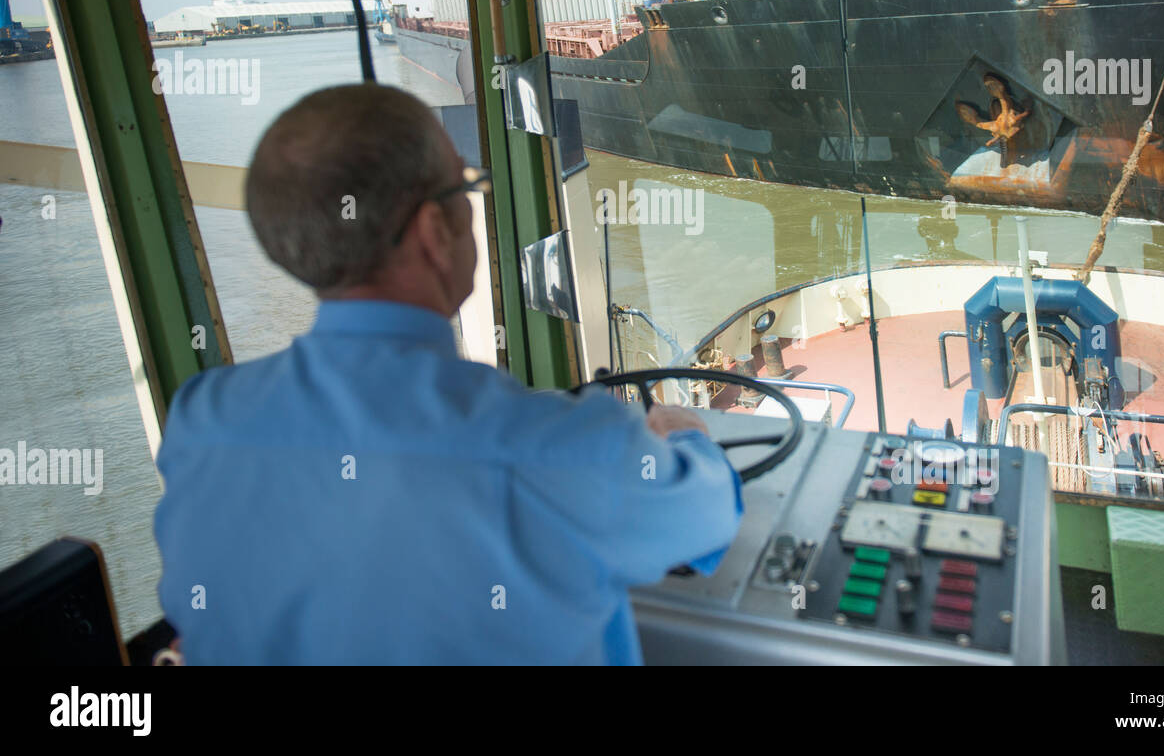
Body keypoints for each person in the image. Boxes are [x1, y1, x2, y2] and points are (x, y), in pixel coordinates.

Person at [153, 83, 742, 664]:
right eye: (463, 185)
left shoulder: (202, 421)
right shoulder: (550, 445)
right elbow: (707, 515)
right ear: (436, 233)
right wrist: (681, 431)